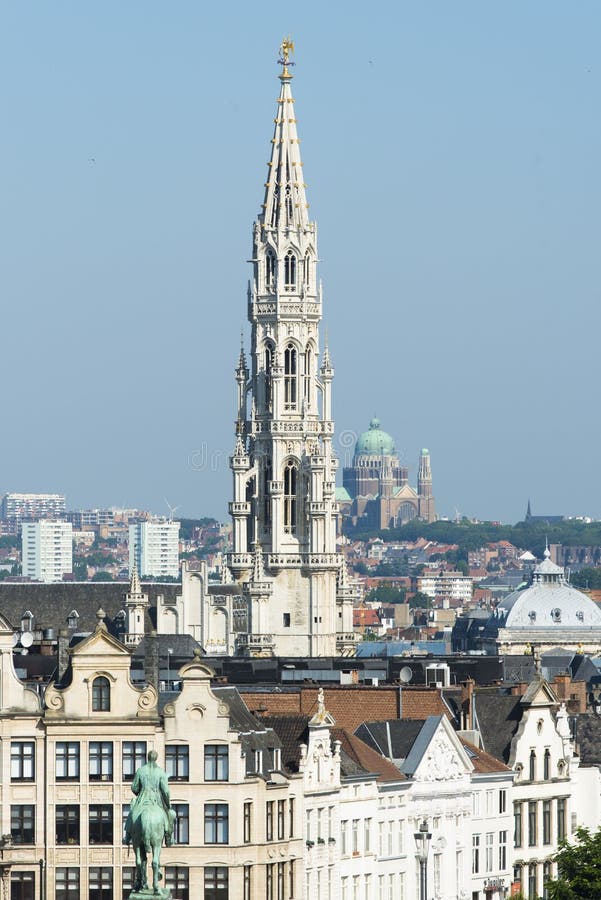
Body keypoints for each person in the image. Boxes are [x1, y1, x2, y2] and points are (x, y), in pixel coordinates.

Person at [124, 750, 176, 846]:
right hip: (157, 801)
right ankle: (168, 838)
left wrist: (139, 792)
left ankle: (127, 836)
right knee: (171, 814)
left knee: (132, 813)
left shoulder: (140, 770)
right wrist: (168, 804)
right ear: (156, 758)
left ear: (147, 757)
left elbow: (134, 787)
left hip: (142, 800)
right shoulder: (161, 772)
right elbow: (166, 791)